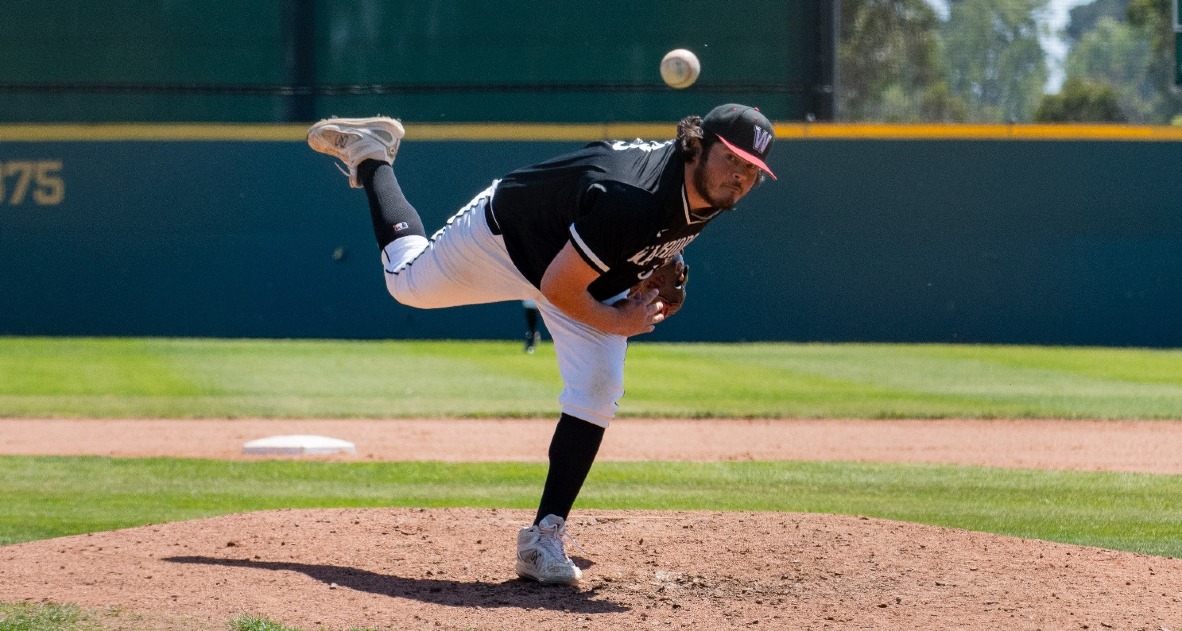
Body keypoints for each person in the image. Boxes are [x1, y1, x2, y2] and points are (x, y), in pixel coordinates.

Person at [307, 104, 776, 585]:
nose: (739, 176)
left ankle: (543, 539)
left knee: (598, 386)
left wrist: (661, 263)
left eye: (752, 170)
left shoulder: (705, 186)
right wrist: (618, 321)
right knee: (406, 283)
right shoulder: (633, 196)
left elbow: (650, 231)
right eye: (732, 159)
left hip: (579, 262)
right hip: (508, 238)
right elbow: (559, 286)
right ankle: (371, 154)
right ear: (696, 145)